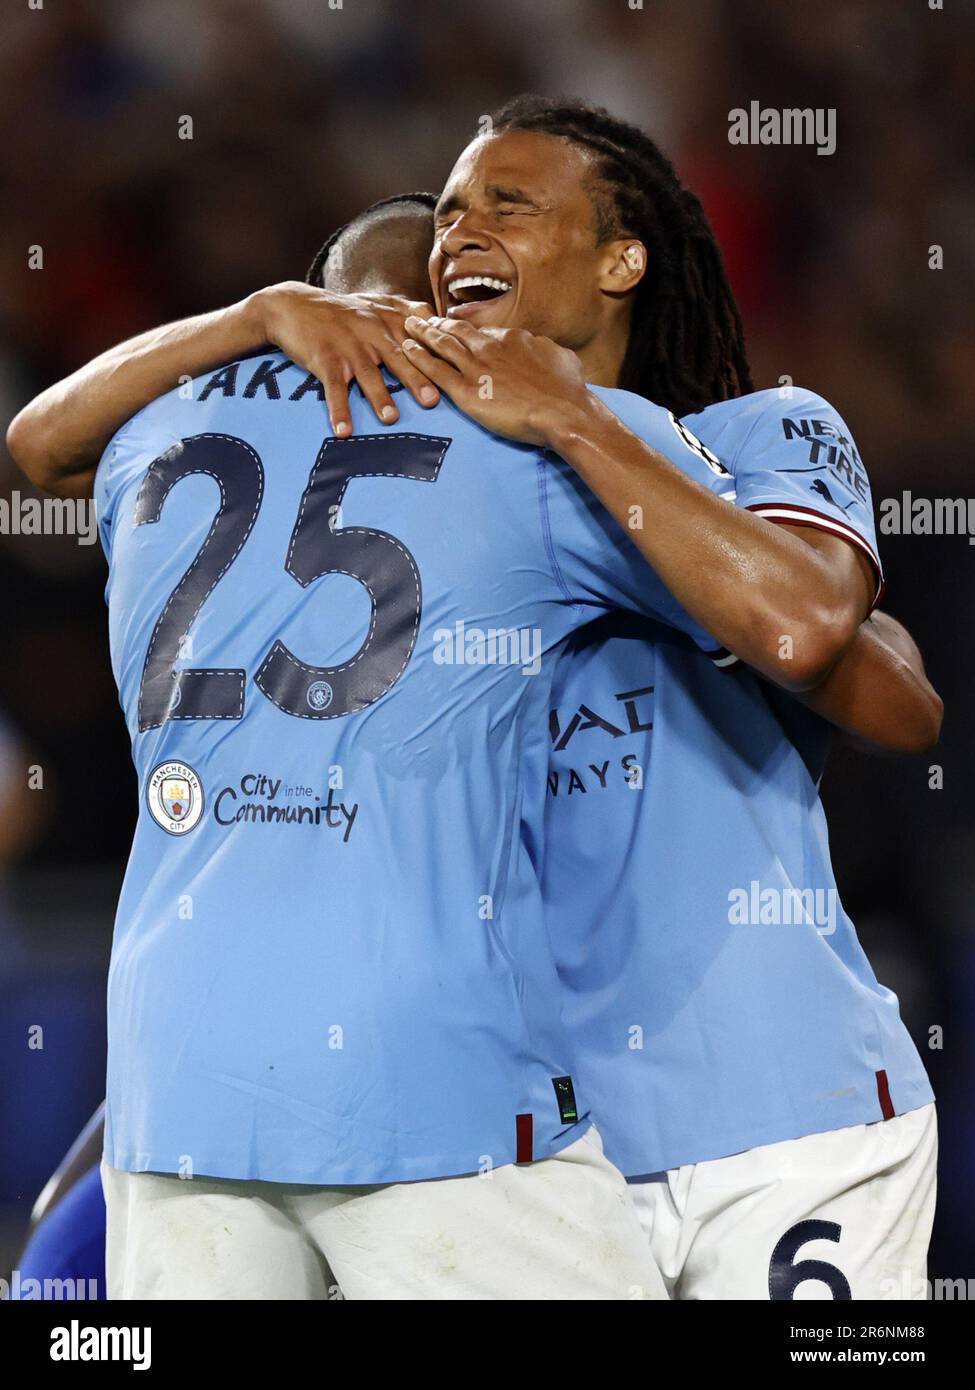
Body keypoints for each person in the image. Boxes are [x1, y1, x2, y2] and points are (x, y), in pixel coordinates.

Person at [8, 101, 939, 1300]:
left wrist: (587, 446)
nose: (439, 276)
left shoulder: (745, 437)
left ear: (620, 259)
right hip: (519, 1109)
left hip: (763, 1108)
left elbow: (887, 689)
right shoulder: (440, 494)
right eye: (441, 228)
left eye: (504, 206)